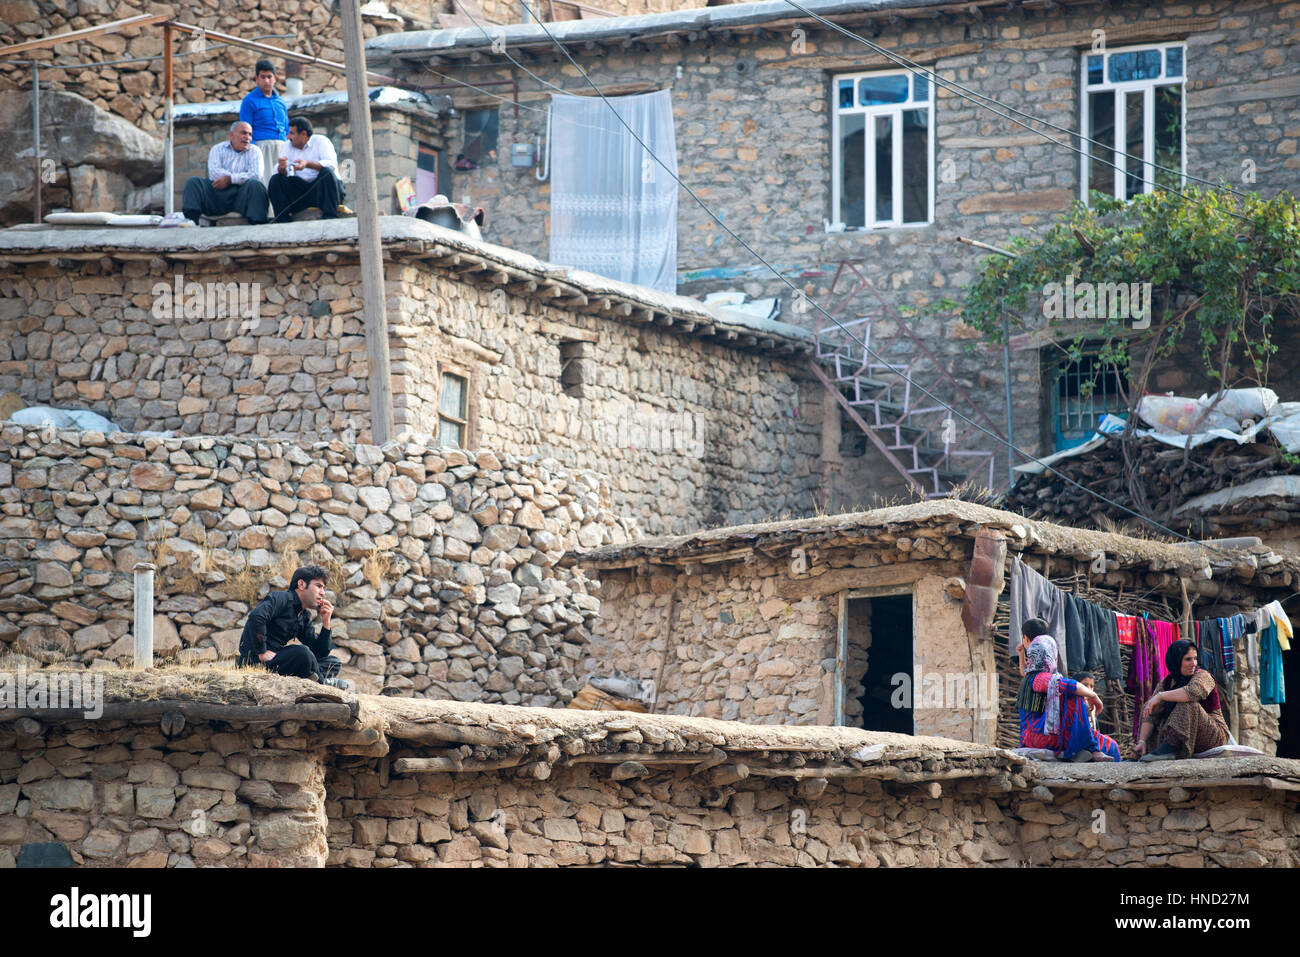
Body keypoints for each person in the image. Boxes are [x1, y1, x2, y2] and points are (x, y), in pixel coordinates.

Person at [238, 564, 350, 689]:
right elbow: (256, 617)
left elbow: (320, 653)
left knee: (333, 663)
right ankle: (322, 683)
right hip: (257, 662)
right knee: (302, 652)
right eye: (318, 586)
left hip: (279, 661)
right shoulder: (281, 598)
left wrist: (326, 622)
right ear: (301, 584)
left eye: (323, 588)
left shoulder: (303, 616)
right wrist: (261, 651)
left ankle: (314, 678)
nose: (323, 593)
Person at [1017, 634, 1120, 761]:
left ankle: (1093, 751)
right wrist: (1093, 695)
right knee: (1073, 695)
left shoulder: (1031, 677)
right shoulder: (1039, 678)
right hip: (1040, 736)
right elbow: (1069, 685)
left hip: (1039, 734)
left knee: (1110, 744)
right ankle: (1091, 749)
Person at [1135, 639, 1230, 761]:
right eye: (1188, 659)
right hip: (1183, 736)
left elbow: (1192, 692)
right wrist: (1143, 740)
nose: (1193, 663)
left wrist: (1160, 696)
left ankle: (1170, 748)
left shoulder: (1203, 676)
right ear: (1176, 660)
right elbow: (1151, 714)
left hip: (1212, 735)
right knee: (1150, 705)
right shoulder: (1166, 683)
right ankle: (1144, 750)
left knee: (1188, 704)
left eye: (1195, 658)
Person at [181, 121, 269, 225]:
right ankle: (191, 221)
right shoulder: (217, 149)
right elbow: (214, 172)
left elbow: (256, 174)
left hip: (240, 194)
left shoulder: (255, 151)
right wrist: (238, 177)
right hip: (217, 192)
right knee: (194, 182)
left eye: (250, 134)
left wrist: (230, 179)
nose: (248, 137)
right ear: (231, 135)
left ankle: (257, 224)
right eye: (243, 133)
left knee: (256, 185)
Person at [268, 116, 347, 223]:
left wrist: (307, 164)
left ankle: (330, 217)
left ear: (304, 134)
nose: (288, 137)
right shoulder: (288, 146)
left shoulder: (321, 141)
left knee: (326, 173)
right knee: (276, 179)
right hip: (302, 194)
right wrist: (282, 168)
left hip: (324, 192)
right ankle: (282, 220)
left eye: (292, 133)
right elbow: (281, 173)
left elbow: (331, 164)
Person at [239, 59, 288, 186]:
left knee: (284, 185)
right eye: (263, 77)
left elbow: (286, 128)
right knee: (265, 183)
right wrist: (254, 151)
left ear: (275, 78)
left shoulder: (281, 102)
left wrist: (287, 148)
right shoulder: (249, 101)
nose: (266, 81)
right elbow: (245, 129)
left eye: (269, 77)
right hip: (261, 148)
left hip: (281, 148)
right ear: (256, 78)